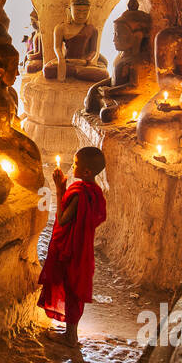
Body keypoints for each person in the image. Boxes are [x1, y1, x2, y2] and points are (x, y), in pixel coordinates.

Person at [37, 146, 107, 348]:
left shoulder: (80, 194)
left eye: (76, 164)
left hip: (71, 249)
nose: (72, 166)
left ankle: (70, 337)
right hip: (82, 247)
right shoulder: (95, 192)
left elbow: (62, 219)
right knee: (75, 288)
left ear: (86, 172)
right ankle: (71, 333)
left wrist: (59, 190)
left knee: (71, 288)